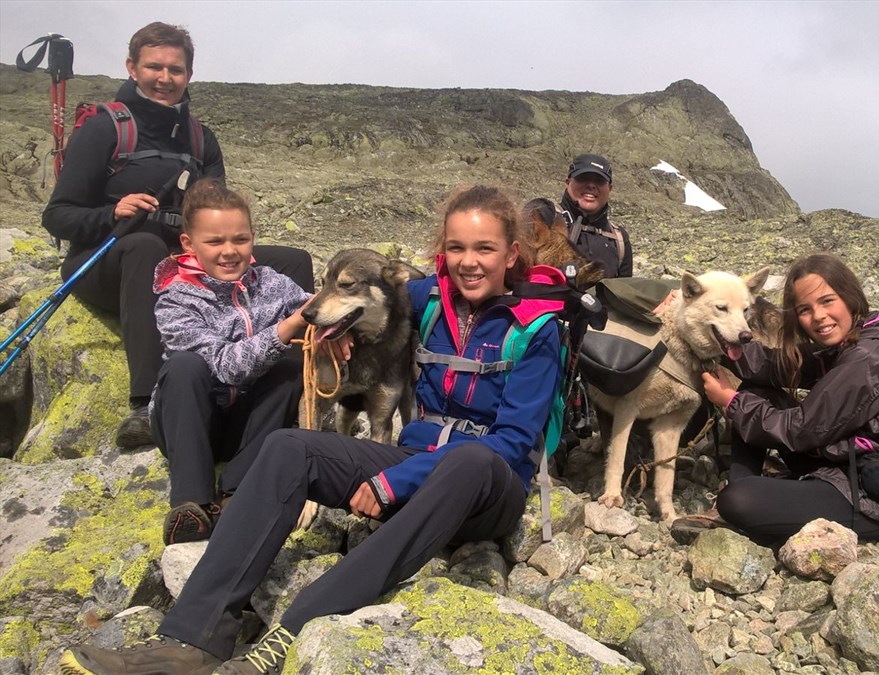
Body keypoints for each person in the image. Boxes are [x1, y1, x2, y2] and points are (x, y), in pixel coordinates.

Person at [59, 185, 566, 675]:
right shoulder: (430, 297)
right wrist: (327, 330)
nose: (468, 262)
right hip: (414, 463)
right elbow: (347, 295)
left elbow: (512, 443)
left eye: (484, 249)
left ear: (510, 253)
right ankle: (189, 638)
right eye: (456, 248)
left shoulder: (536, 328)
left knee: (472, 458)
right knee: (288, 447)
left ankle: (288, 636)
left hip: (486, 487)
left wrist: (396, 482)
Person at [41, 22, 314, 451]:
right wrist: (112, 213)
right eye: (155, 67)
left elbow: (215, 217)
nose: (165, 78)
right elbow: (58, 217)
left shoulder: (201, 139)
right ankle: (146, 403)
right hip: (106, 261)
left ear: (189, 74)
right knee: (146, 247)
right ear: (132, 67)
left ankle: (298, 379)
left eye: (176, 69)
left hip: (181, 262)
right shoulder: (104, 128)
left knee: (293, 259)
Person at [685, 253, 879, 544]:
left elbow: (801, 430)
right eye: (805, 309)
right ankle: (753, 492)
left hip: (875, 494)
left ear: (850, 296)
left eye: (827, 301)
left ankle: (743, 503)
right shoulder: (853, 340)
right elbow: (772, 366)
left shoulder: (869, 359)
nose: (818, 316)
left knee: (737, 500)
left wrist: (730, 402)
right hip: (842, 462)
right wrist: (716, 336)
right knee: (756, 390)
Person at [151, 178, 323, 546]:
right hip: (189, 427)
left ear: (252, 238)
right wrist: (287, 327)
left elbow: (316, 308)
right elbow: (224, 366)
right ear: (189, 244)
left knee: (292, 368)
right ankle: (191, 504)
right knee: (184, 367)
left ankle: (237, 492)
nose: (229, 251)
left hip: (245, 429)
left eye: (240, 240)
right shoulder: (176, 299)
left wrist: (333, 332)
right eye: (215, 242)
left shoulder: (272, 283)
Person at [559, 153, 632, 279]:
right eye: (583, 178)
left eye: (599, 181)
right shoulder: (544, 218)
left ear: (610, 188)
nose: (591, 185)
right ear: (568, 182)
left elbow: (623, 288)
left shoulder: (619, 240)